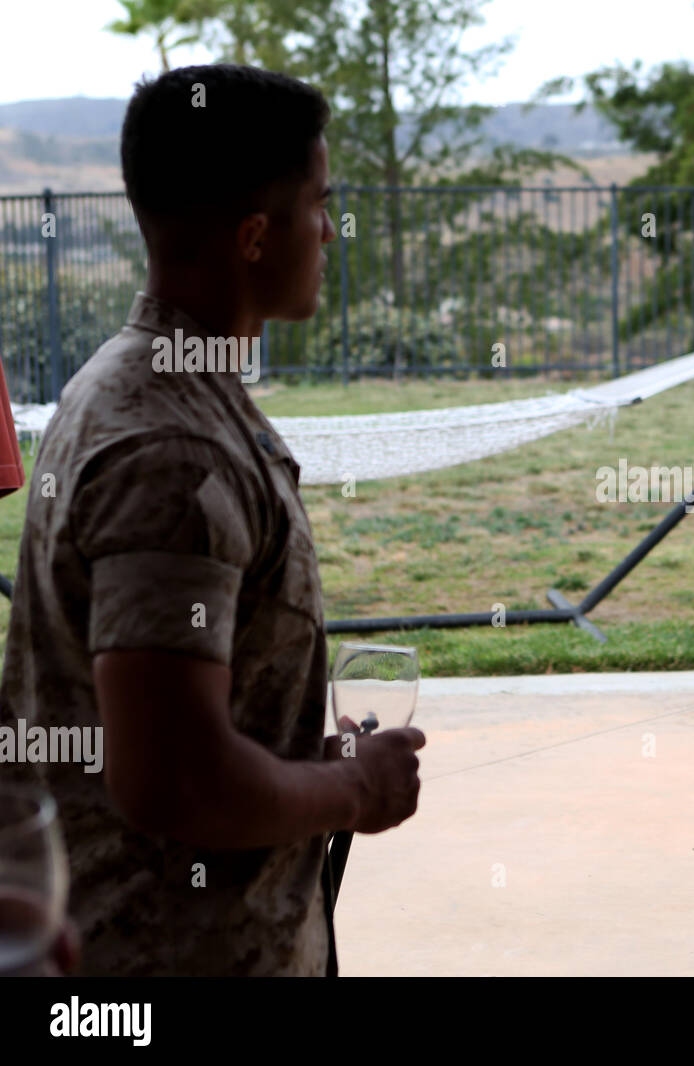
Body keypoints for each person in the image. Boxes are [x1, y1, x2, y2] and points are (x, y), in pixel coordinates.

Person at [0, 64, 424, 976]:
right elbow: (171, 780)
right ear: (255, 236)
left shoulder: (131, 379)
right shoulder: (171, 448)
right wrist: (354, 787)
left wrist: (292, 757)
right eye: (319, 202)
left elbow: (166, 709)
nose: (327, 229)